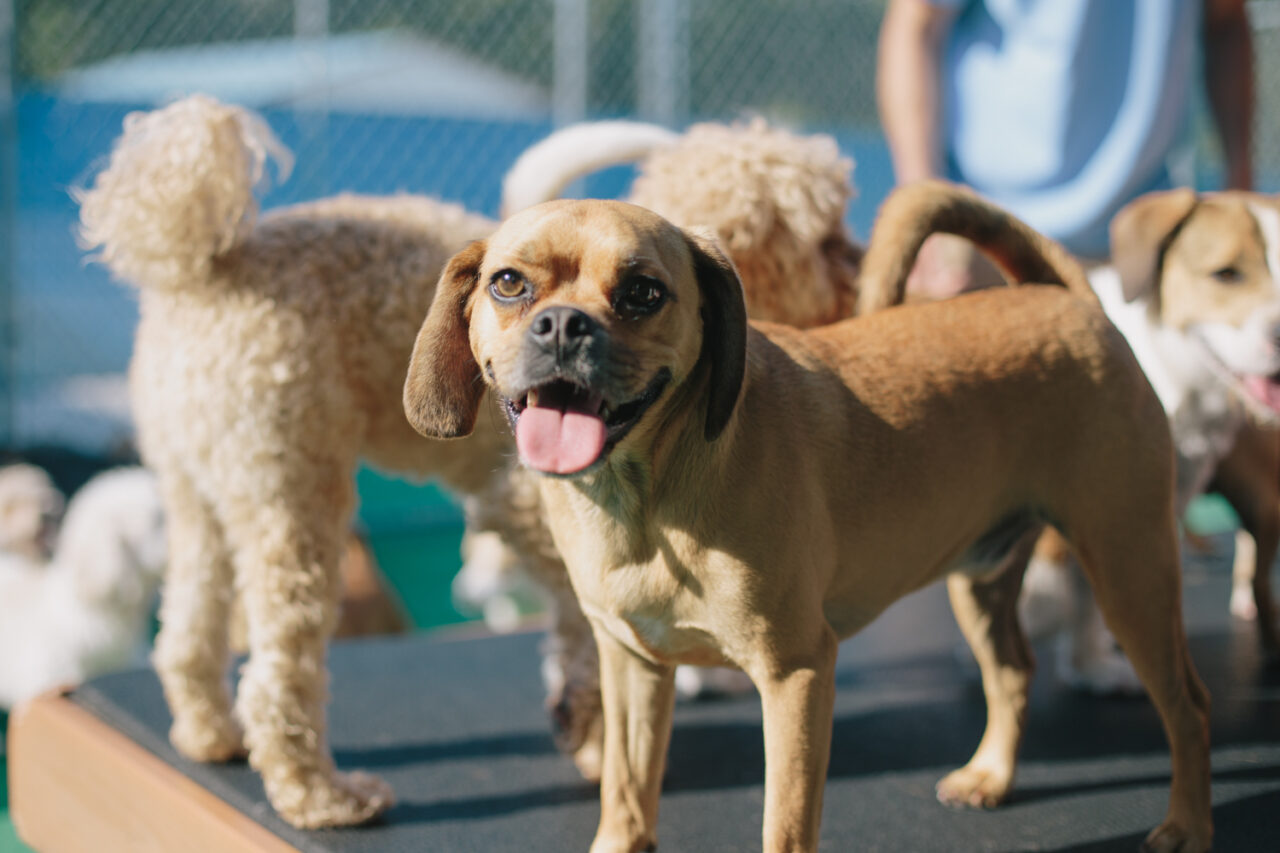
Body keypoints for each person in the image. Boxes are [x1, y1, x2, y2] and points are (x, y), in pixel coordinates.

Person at [877, 0, 1254, 297]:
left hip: (1134, 244)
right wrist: (922, 198)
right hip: (979, 231)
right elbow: (918, 24)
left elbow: (1226, 24)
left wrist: (1240, 174)